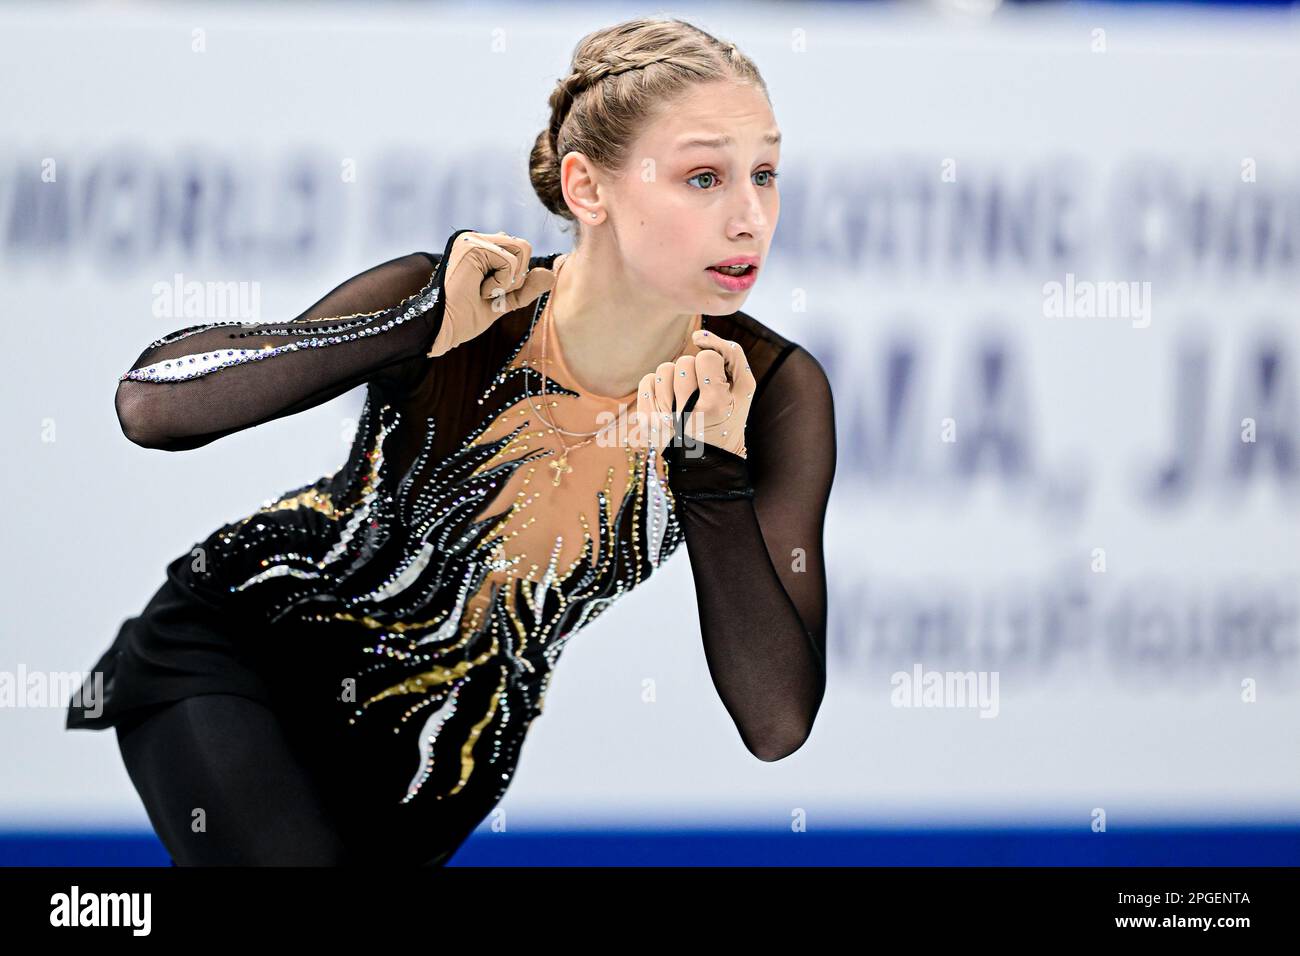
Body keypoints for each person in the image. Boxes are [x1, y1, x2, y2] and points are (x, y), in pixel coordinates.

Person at [66, 16, 836, 867]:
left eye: (764, 174)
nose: (750, 218)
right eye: (704, 177)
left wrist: (710, 478)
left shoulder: (770, 394)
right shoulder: (468, 302)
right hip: (245, 656)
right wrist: (409, 326)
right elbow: (151, 406)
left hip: (445, 755)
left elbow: (776, 723)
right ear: (588, 188)